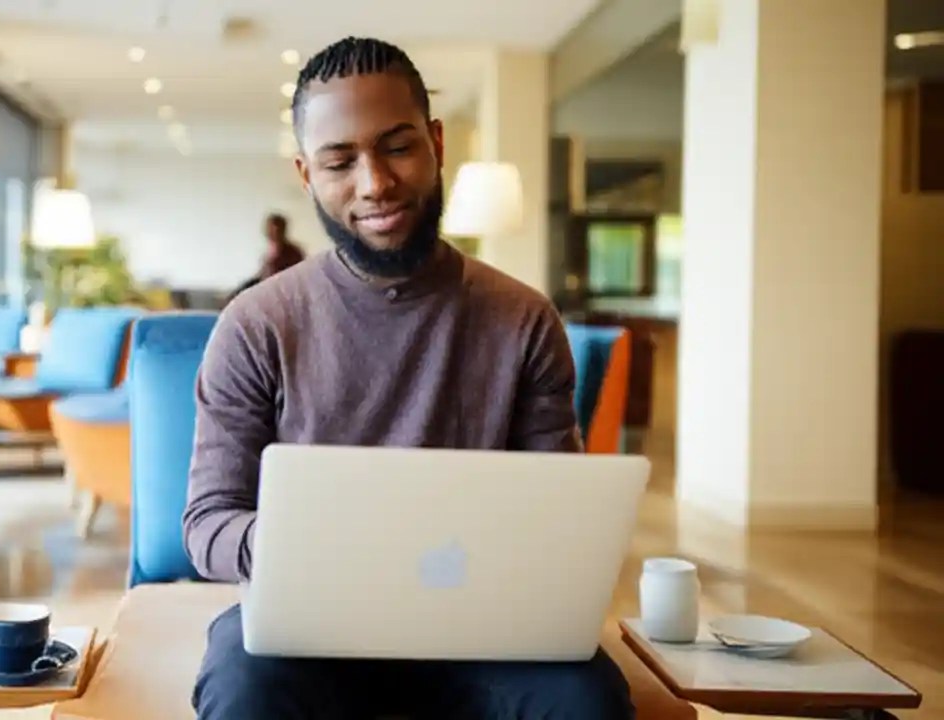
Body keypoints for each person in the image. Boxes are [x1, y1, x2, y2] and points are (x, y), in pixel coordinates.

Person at [182, 36, 633, 720]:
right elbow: (208, 526)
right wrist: (298, 540)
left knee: (588, 699)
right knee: (244, 690)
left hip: (484, 633)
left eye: (397, 146)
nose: (375, 183)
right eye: (340, 161)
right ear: (307, 175)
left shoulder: (524, 320)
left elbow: (554, 523)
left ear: (436, 142)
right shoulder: (256, 324)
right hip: (307, 636)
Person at [228, 213, 306, 301]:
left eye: (276, 229)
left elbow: (296, 280)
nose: (272, 233)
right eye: (270, 229)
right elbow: (261, 277)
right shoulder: (267, 255)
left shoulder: (293, 253)